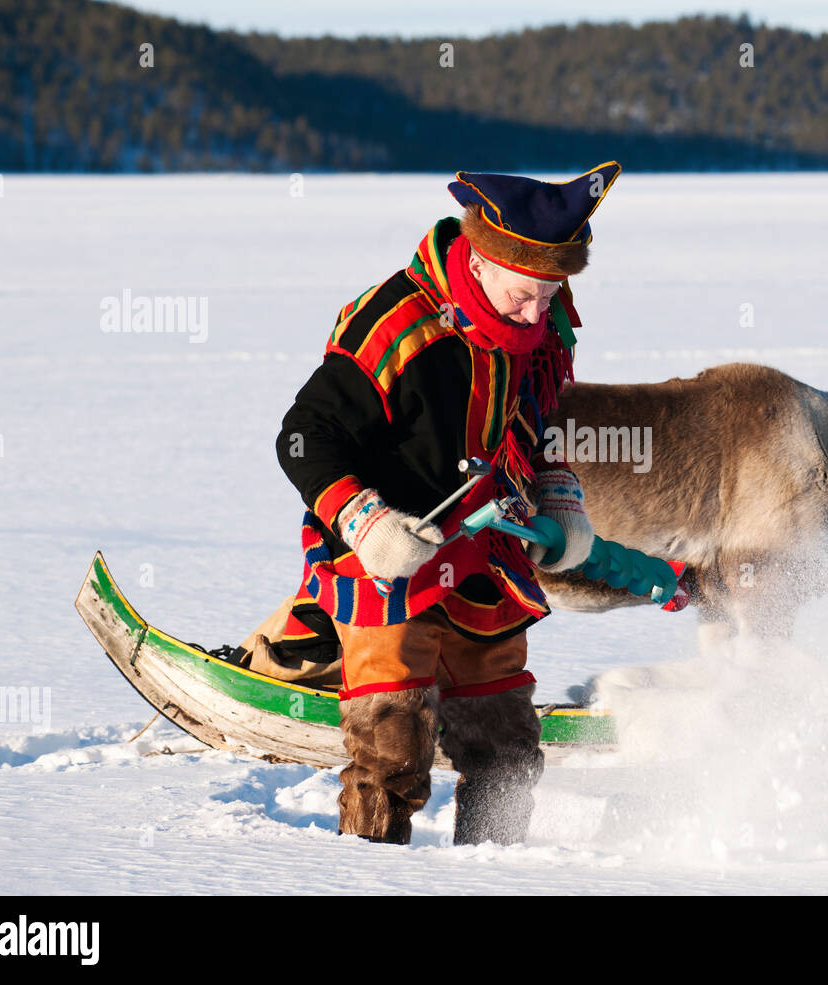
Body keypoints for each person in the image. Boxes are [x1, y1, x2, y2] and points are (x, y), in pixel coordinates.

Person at [235, 161, 622, 846]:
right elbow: (302, 437)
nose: (538, 313)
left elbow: (534, 421)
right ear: (480, 258)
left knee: (506, 748)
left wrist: (559, 495)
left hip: (482, 556)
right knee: (393, 750)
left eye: (551, 294)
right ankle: (369, 875)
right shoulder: (398, 323)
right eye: (525, 294)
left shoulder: (538, 327)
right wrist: (366, 521)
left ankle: (492, 877)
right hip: (386, 564)